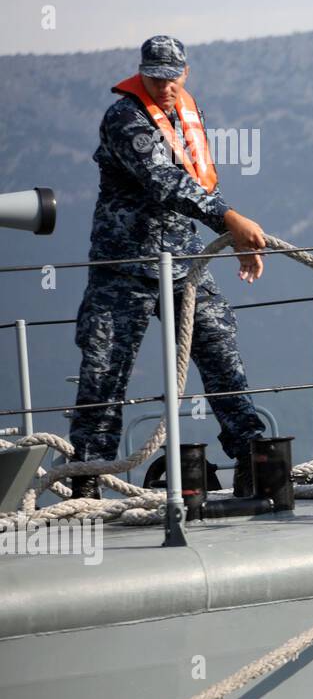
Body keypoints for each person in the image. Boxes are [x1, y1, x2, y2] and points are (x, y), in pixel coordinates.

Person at [68, 35, 268, 498]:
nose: (163, 85)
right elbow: (164, 180)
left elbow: (197, 180)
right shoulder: (125, 118)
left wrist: (232, 237)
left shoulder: (185, 113)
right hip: (126, 266)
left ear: (185, 72)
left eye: (171, 76)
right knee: (105, 372)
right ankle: (85, 481)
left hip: (184, 266)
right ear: (142, 73)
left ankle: (253, 459)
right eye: (153, 76)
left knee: (221, 353)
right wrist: (231, 220)